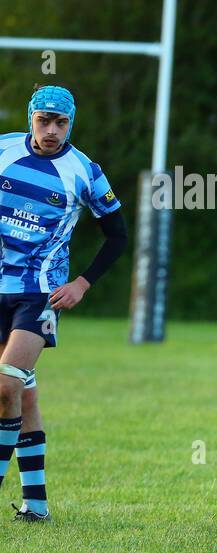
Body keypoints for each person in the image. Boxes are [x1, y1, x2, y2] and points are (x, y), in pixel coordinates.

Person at [2, 85, 127, 522]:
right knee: (24, 397)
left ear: (71, 123)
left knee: (5, 386)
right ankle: (36, 506)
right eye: (44, 120)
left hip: (40, 293)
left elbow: (118, 235)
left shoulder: (83, 171)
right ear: (30, 117)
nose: (51, 130)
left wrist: (82, 283)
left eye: (61, 123)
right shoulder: (2, 150)